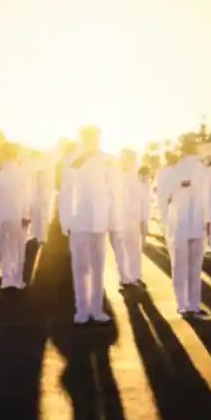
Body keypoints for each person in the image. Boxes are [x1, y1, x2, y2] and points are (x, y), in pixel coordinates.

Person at [59, 126, 115, 325]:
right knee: (81, 268)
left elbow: (113, 192)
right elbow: (65, 192)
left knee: (98, 268)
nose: (93, 140)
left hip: (100, 221)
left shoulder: (107, 160)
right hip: (79, 221)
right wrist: (65, 220)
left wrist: (113, 220)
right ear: (82, 138)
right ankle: (81, 309)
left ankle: (97, 309)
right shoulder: (72, 161)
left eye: (96, 136)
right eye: (89, 137)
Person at [157, 137, 210, 318]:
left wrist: (166, 222)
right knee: (190, 268)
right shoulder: (176, 171)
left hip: (185, 224)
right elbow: (165, 197)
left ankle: (189, 305)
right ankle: (188, 305)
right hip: (188, 224)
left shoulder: (194, 169)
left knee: (185, 267)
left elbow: (163, 199)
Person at [0, 144, 32, 289]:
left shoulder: (0, 175)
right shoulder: (22, 174)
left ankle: (6, 278)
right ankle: (17, 279)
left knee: (5, 248)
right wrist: (26, 214)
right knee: (19, 248)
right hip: (18, 216)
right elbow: (27, 197)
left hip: (3, 217)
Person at [110, 149, 148, 289]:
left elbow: (144, 200)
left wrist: (144, 219)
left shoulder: (134, 178)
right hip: (121, 219)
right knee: (123, 250)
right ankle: (127, 278)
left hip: (130, 219)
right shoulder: (116, 177)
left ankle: (133, 277)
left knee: (132, 250)